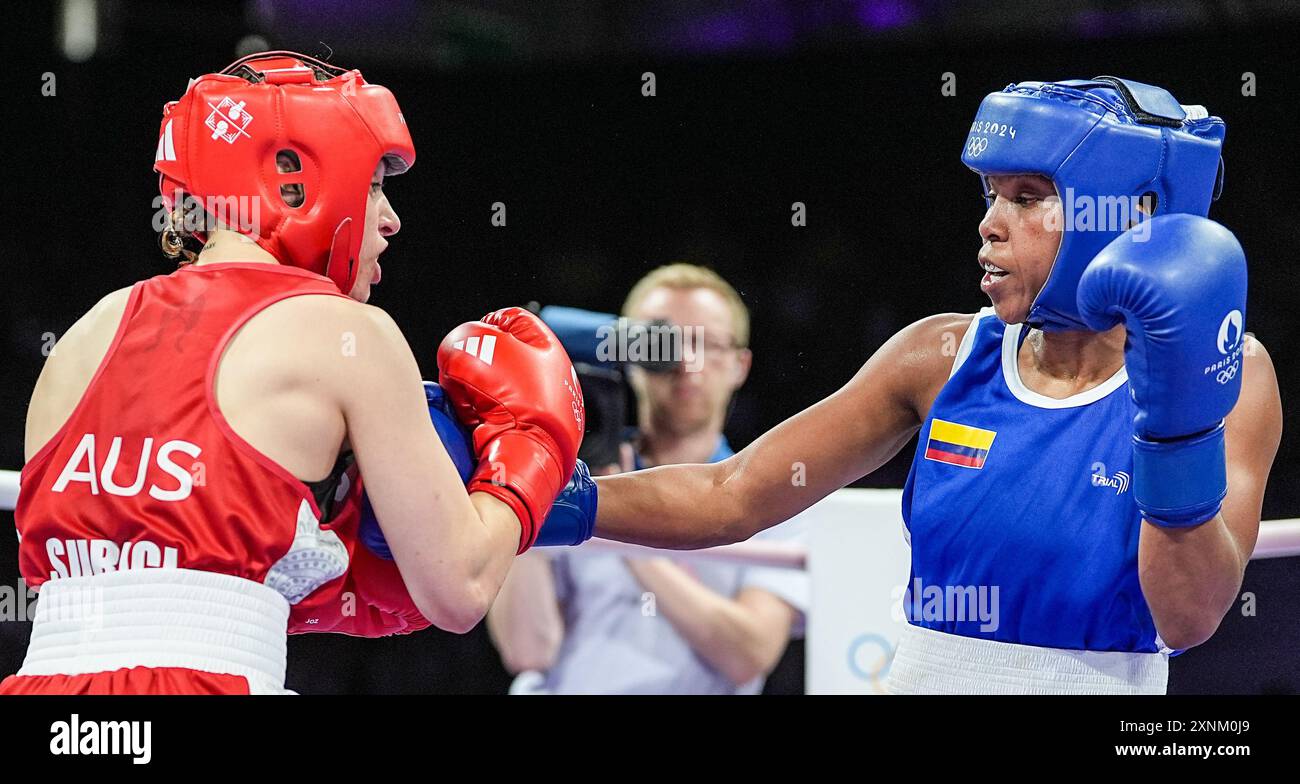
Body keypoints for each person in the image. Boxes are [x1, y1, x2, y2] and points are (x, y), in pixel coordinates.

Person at [587, 78, 1283, 693]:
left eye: (1029, 197)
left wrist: (1172, 429)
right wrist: (542, 500)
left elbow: (1189, 618)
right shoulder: (940, 354)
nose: (990, 224)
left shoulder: (1231, 371)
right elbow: (729, 494)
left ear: (1133, 210)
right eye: (991, 194)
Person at [1, 51, 585, 695]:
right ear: (292, 180)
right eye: (372, 186)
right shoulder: (350, 336)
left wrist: (311, 575)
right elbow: (460, 587)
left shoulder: (83, 337)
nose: (389, 220)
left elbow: (157, 571)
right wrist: (532, 447)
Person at [488, 264, 809, 694]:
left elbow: (748, 654)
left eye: (707, 343)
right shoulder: (571, 479)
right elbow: (528, 651)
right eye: (662, 343)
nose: (686, 362)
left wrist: (625, 526)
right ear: (628, 354)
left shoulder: (776, 492)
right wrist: (529, 480)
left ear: (740, 365)